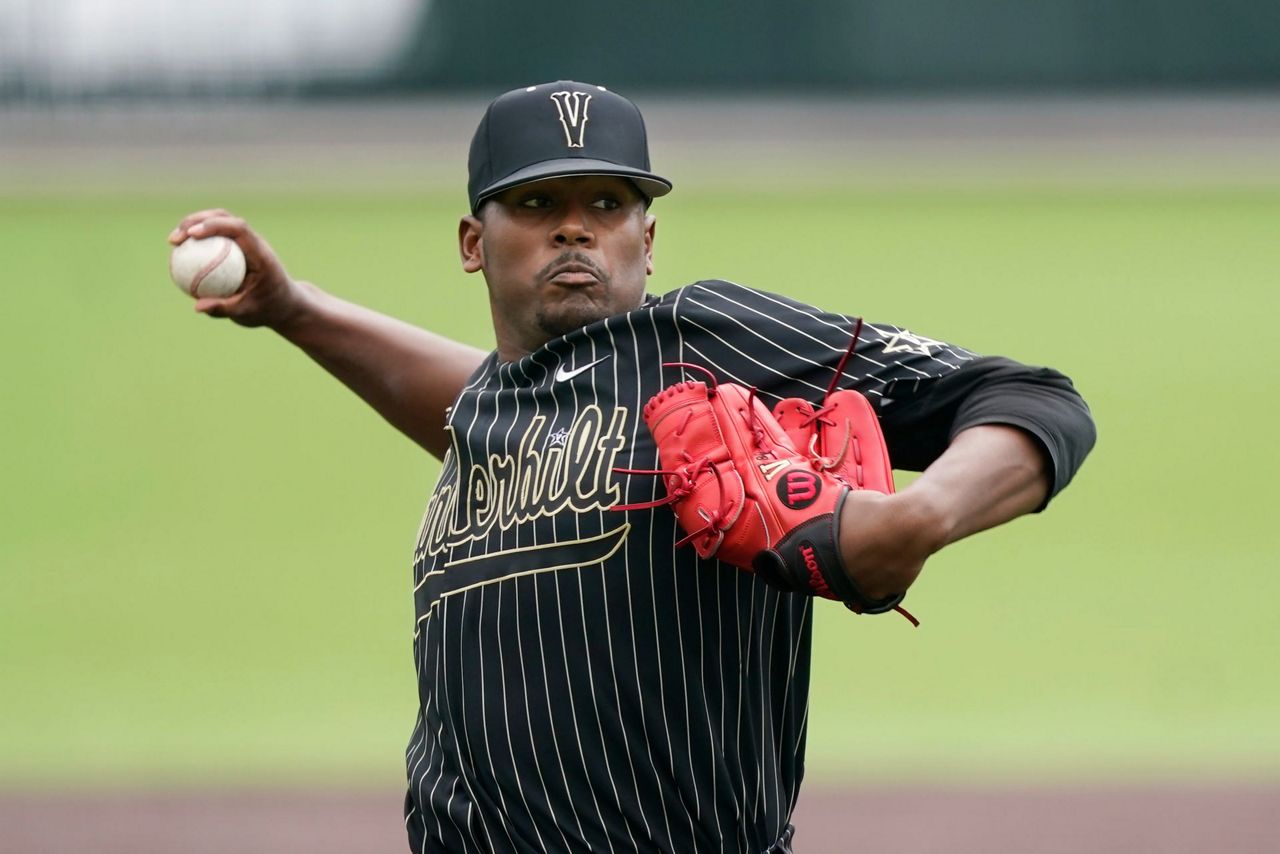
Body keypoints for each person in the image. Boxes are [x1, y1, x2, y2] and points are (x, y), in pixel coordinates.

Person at [169, 80, 1095, 853]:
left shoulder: (700, 340)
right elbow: (481, 404)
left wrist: (919, 518)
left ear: (647, 243)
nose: (576, 230)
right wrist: (294, 308)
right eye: (538, 204)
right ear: (472, 243)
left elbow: (1035, 399)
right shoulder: (493, 413)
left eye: (607, 206)